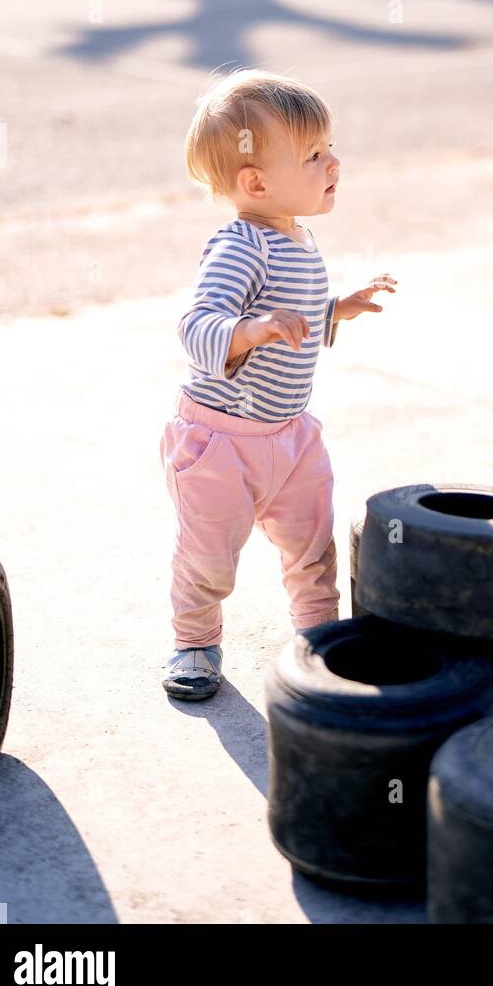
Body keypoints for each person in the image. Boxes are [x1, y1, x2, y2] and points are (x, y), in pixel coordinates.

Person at [159, 69, 397, 700]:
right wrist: (253, 329)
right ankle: (194, 642)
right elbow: (198, 327)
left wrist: (337, 307)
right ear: (256, 182)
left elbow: (293, 314)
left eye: (330, 147)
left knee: (313, 551)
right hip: (220, 443)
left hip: (290, 438)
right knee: (208, 559)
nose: (334, 162)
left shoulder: (299, 236)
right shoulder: (240, 247)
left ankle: (318, 642)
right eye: (315, 154)